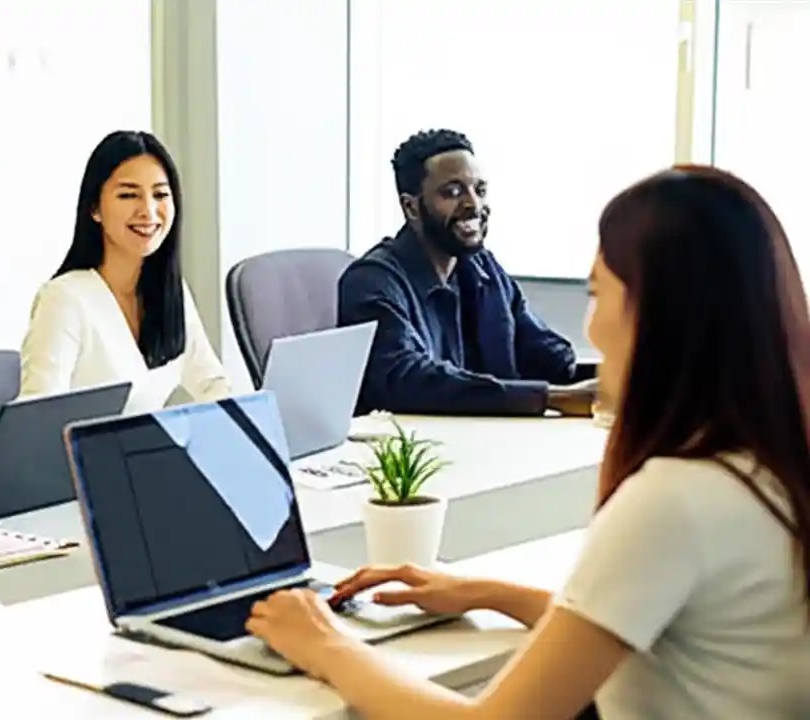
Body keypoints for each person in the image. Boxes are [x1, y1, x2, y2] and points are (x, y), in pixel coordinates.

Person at [249, 166, 810, 719]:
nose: (590, 326)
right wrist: (481, 592)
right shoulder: (765, 466)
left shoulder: (673, 501)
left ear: (656, 313)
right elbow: (627, 621)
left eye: (597, 292)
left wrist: (325, 644)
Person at [340, 129, 594, 416]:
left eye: (479, 190)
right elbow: (408, 381)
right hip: (414, 441)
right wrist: (553, 398)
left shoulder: (482, 267)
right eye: (452, 192)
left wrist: (612, 379)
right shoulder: (372, 281)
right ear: (411, 207)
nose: (474, 205)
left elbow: (541, 352)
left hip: (485, 434)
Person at [18, 130, 230, 414]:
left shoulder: (168, 289)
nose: (148, 211)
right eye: (129, 195)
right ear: (95, 207)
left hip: (151, 443)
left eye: (160, 194)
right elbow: (37, 418)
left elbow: (212, 384)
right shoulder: (63, 299)